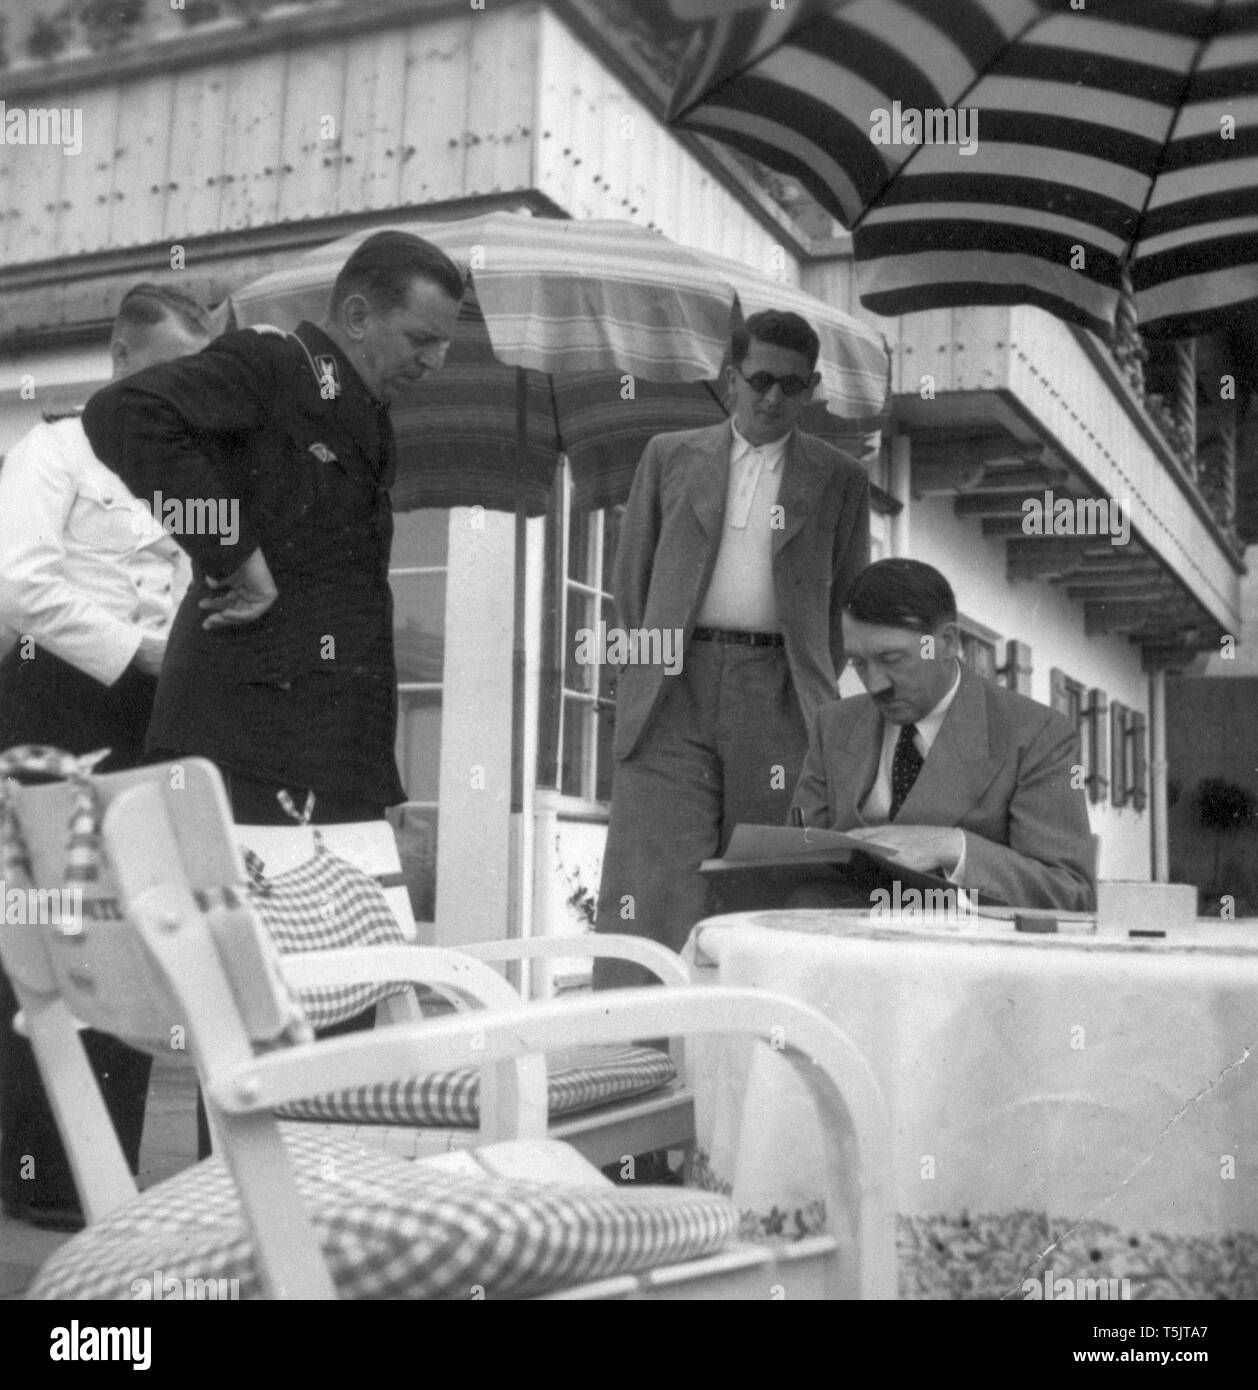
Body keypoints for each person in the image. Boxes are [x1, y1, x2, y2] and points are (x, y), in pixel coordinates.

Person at [82, 230, 464, 826]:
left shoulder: (368, 415)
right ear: (358, 317)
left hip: (329, 758)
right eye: (422, 339)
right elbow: (121, 414)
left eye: (443, 344)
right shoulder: (274, 363)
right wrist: (232, 552)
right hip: (247, 750)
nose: (437, 362)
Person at [0, 283, 212, 1230]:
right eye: (165, 371)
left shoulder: (187, 471)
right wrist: (144, 650)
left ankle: (95, 1178)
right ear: (123, 361)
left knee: (119, 936)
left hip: (150, 717)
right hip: (51, 696)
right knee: (40, 934)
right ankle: (32, 1176)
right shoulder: (52, 447)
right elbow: (18, 579)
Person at [594, 310, 871, 988]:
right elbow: (633, 585)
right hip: (673, 689)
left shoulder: (839, 478)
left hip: (778, 696)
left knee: (762, 885)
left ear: (812, 388)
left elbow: (847, 605)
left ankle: (745, 1065)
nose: (774, 398)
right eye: (761, 380)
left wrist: (799, 680)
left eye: (794, 386)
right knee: (654, 885)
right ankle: (638, 1055)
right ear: (730, 378)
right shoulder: (669, 455)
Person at [790, 558, 1096, 911]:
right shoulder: (833, 725)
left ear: (947, 642)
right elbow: (797, 862)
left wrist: (954, 847)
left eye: (892, 659)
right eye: (859, 663)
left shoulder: (1037, 735)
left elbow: (1071, 894)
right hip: (840, 947)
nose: (875, 684)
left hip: (962, 955)